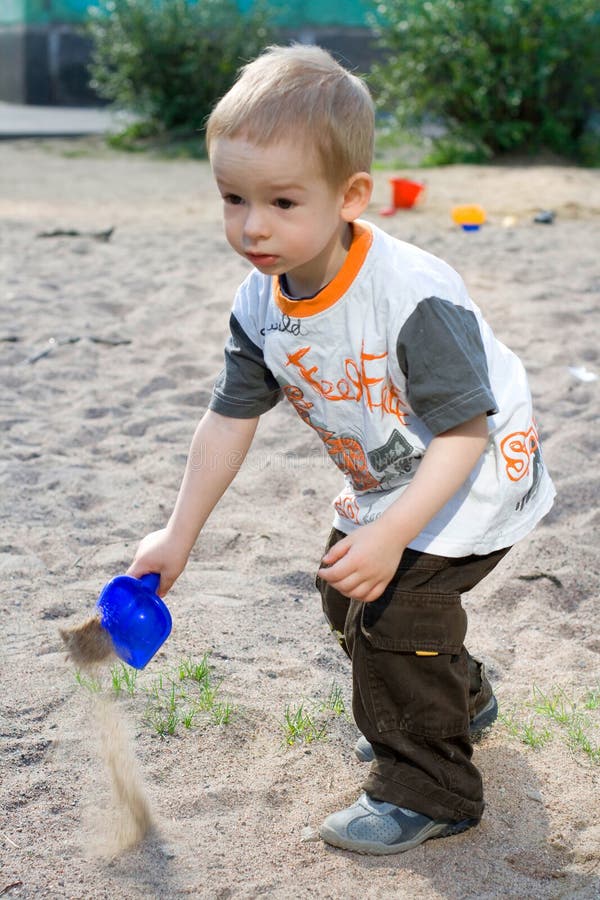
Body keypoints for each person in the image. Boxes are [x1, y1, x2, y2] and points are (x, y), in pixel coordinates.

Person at [127, 44, 555, 855]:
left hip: (478, 470)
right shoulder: (261, 300)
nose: (253, 226)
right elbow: (228, 418)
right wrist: (176, 535)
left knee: (394, 611)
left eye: (283, 202)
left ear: (351, 196)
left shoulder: (408, 296)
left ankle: (432, 787)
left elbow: (465, 432)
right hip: (399, 474)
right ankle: (454, 698)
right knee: (343, 594)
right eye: (233, 198)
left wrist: (393, 536)